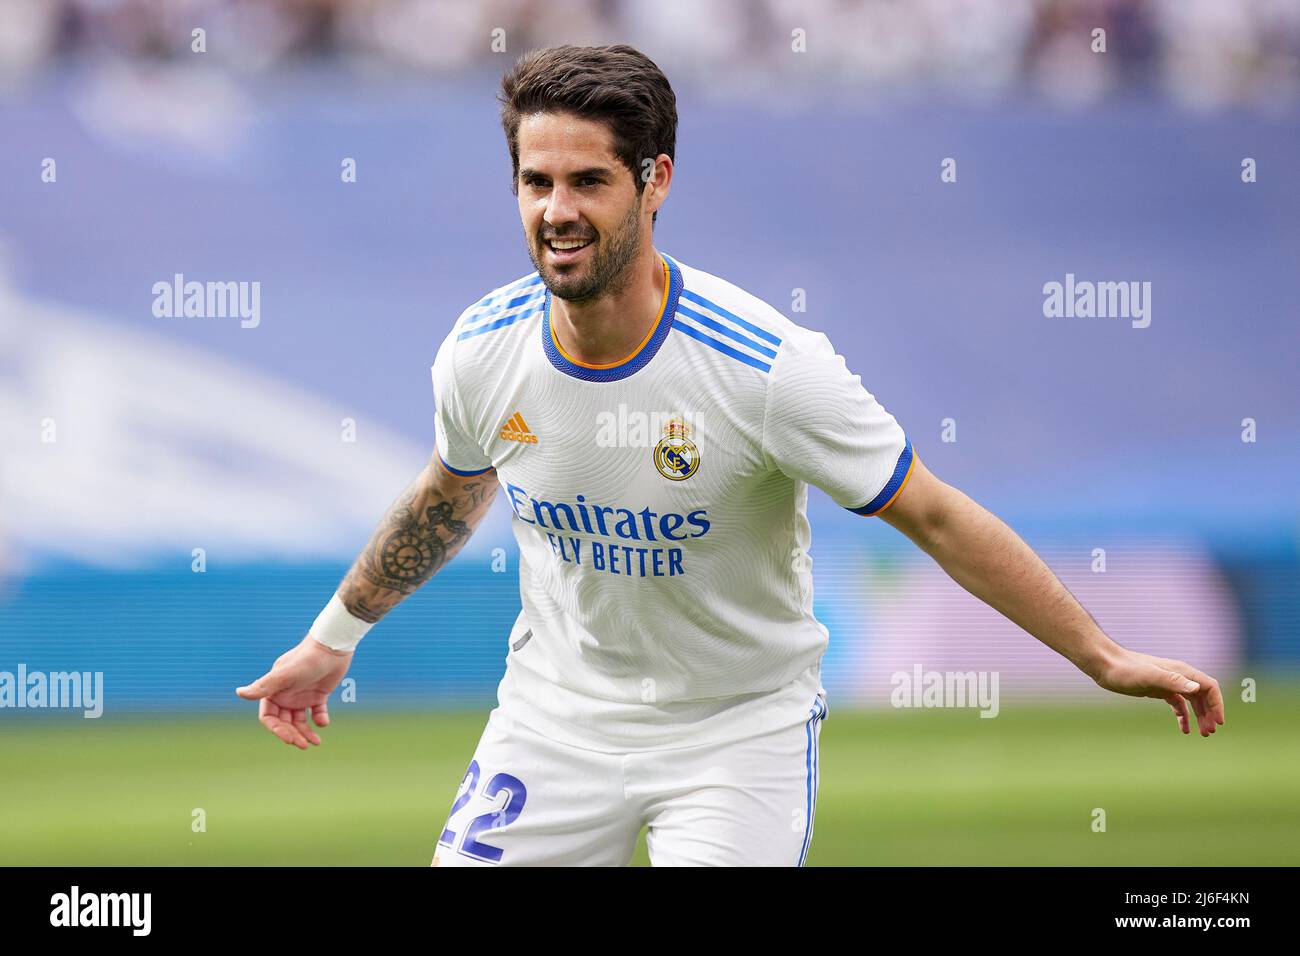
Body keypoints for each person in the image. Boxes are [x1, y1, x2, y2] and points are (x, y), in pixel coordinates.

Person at [236, 44, 1224, 867]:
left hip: (734, 733)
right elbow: (448, 495)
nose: (555, 211)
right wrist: (333, 637)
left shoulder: (767, 369)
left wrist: (1099, 653)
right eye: (535, 182)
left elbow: (931, 510)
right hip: (555, 721)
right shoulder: (480, 351)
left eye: (587, 180)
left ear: (654, 180)